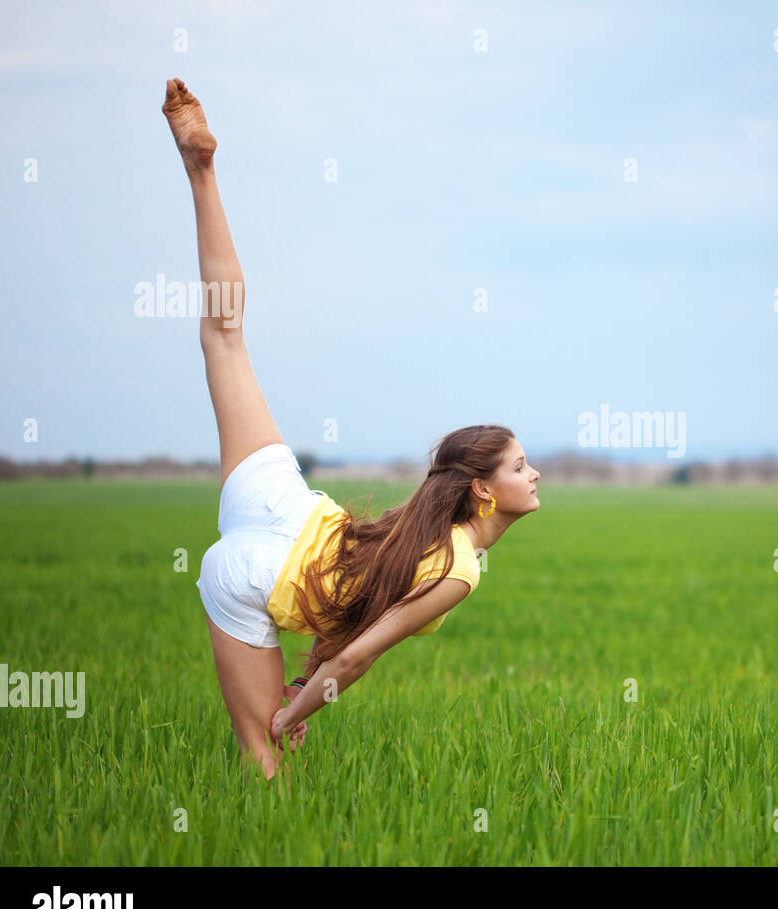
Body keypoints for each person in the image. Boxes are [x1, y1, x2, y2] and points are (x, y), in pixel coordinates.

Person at [162, 78, 541, 780]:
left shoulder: (416, 526)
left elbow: (349, 606)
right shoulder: (458, 569)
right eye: (520, 467)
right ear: (483, 492)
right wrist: (292, 711)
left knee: (225, 336)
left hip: (281, 502)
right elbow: (361, 649)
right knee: (263, 763)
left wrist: (303, 686)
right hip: (260, 574)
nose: (535, 474)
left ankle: (202, 172)